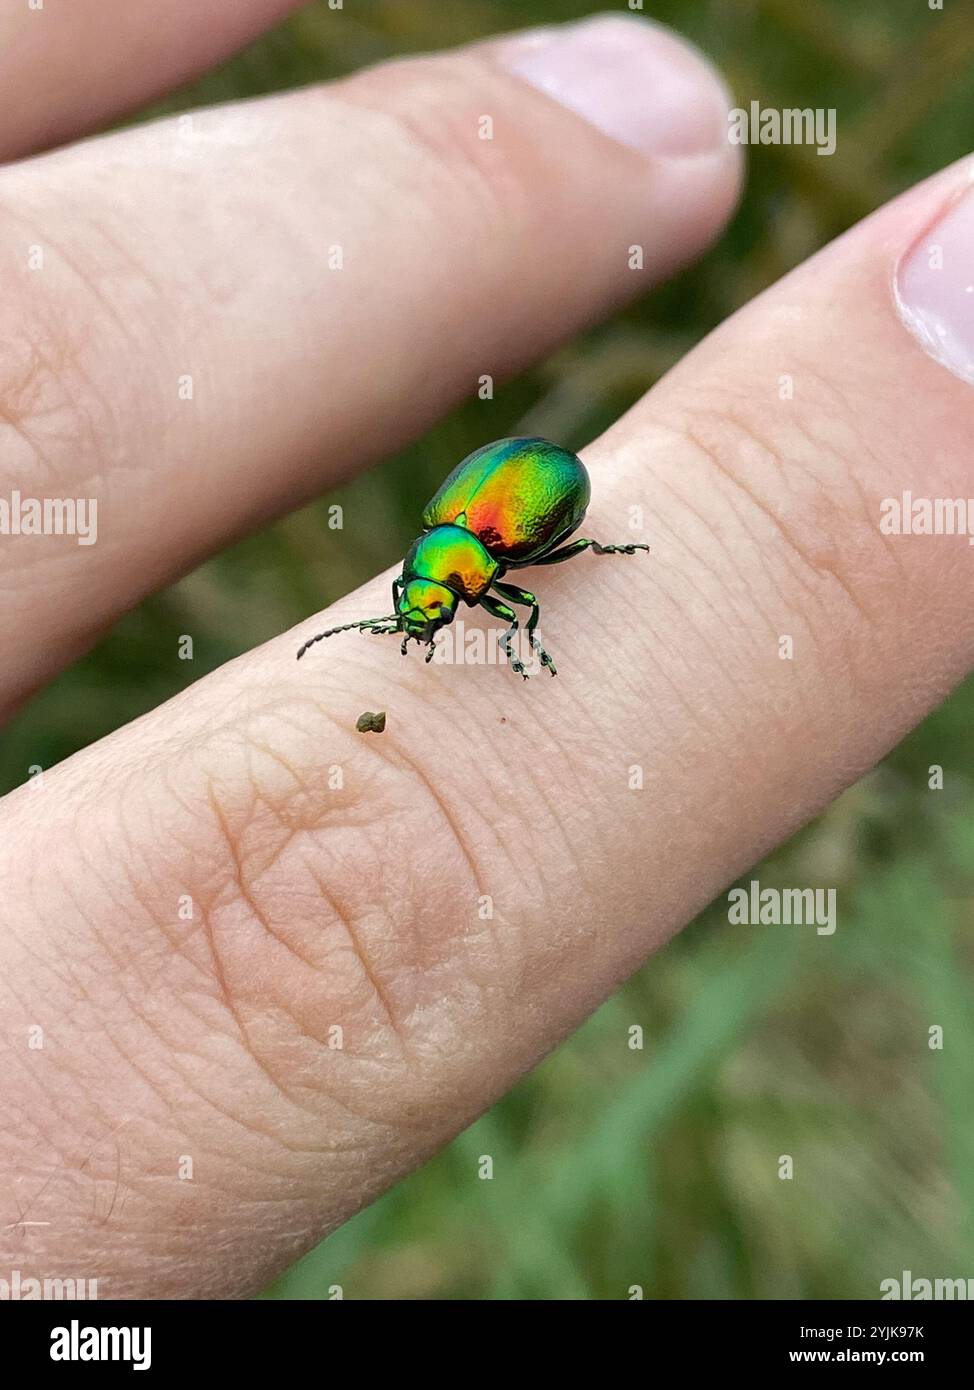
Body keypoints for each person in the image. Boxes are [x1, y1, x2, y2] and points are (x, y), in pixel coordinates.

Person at [0, 7, 970, 1299]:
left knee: (552, 582)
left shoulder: (485, 565)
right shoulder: (445, 558)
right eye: (421, 607)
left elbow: (526, 544)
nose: (427, 618)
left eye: (427, 608)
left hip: (537, 498)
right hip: (502, 505)